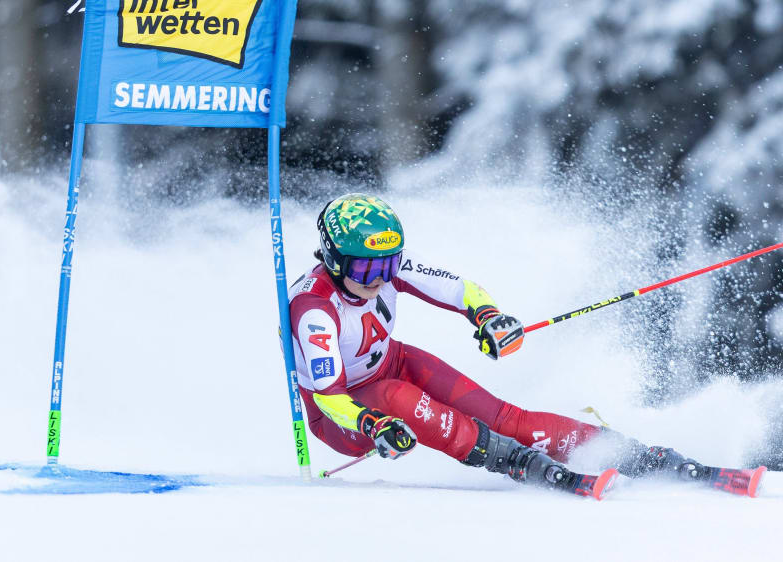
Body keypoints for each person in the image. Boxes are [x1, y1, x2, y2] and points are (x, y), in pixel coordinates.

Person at [287, 193, 703, 494]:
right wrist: (371, 423)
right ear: (334, 259)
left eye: (389, 264)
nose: (379, 278)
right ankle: (515, 461)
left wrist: (489, 317)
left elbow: (459, 289)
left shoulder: (384, 266)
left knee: (505, 417)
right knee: (397, 397)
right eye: (366, 269)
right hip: (343, 415)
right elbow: (328, 396)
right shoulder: (314, 309)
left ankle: (630, 453)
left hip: (392, 363)